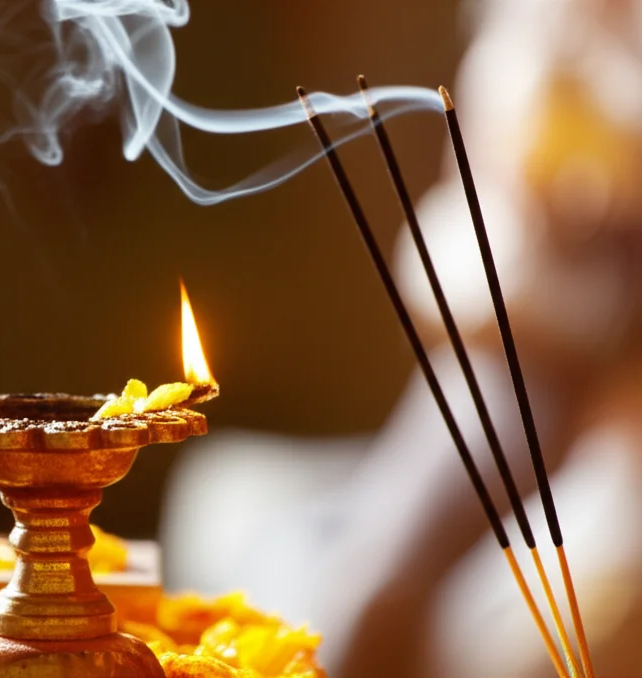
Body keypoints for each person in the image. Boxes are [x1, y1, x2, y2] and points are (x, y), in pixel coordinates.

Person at [161, 0, 642, 675]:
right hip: (512, 361)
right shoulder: (542, 28)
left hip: (622, 389)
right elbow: (474, 232)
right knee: (369, 595)